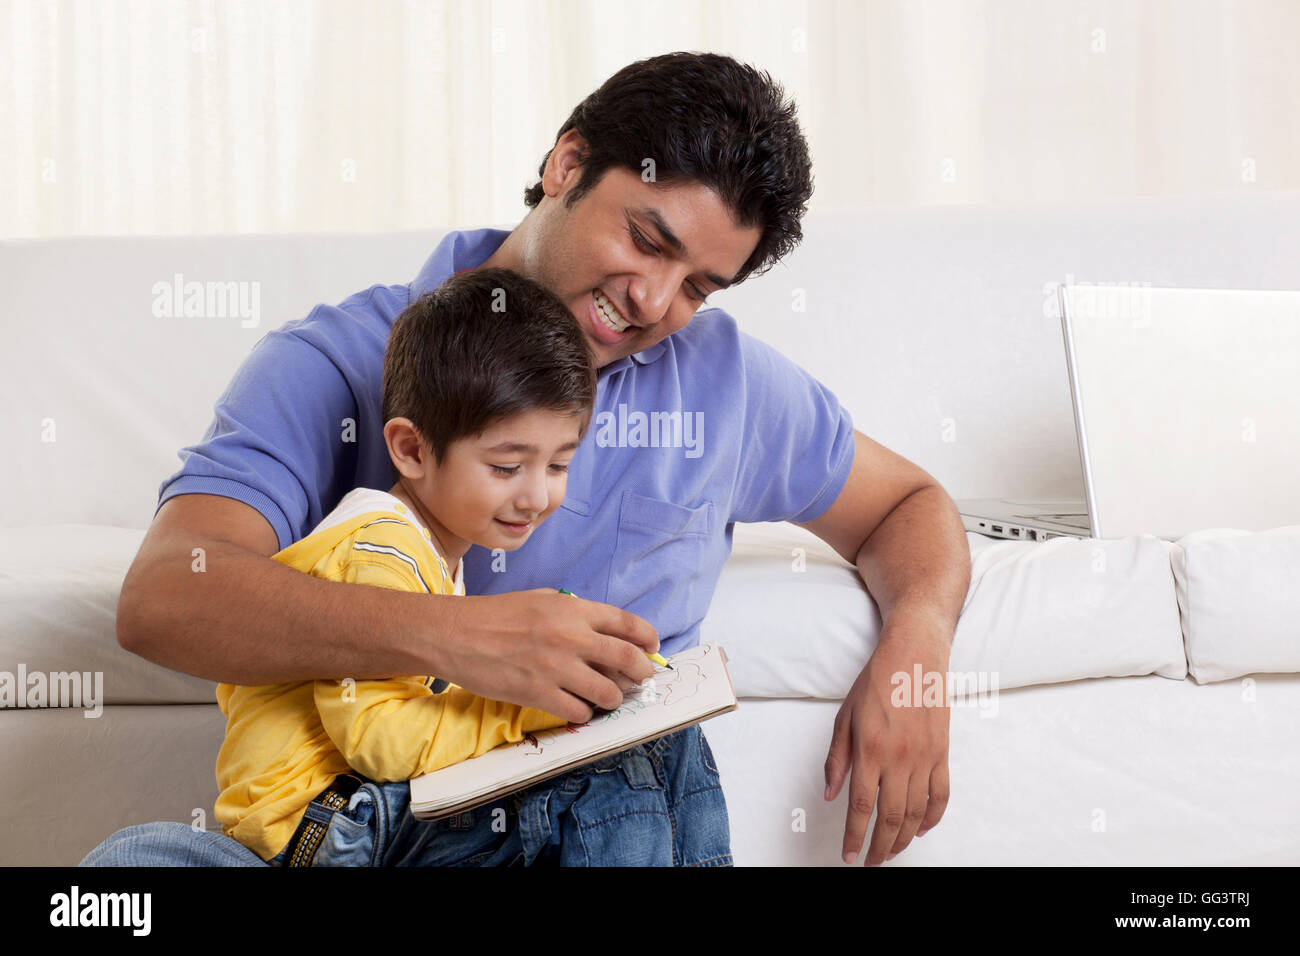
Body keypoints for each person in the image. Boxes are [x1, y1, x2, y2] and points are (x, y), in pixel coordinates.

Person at [91, 51, 969, 868]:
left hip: (583, 826)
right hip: (356, 828)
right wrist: (461, 639)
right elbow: (166, 594)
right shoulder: (344, 358)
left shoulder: (724, 384)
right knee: (122, 874)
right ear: (567, 165)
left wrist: (917, 652)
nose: (655, 300)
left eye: (699, 285)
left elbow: (909, 505)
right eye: (648, 240)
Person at [209, 267, 728, 867]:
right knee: (611, 763)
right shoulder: (379, 546)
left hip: (376, 807)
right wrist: (537, 707)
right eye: (507, 467)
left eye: (558, 465)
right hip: (326, 825)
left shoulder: (431, 556)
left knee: (666, 733)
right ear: (411, 450)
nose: (536, 496)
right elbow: (377, 742)